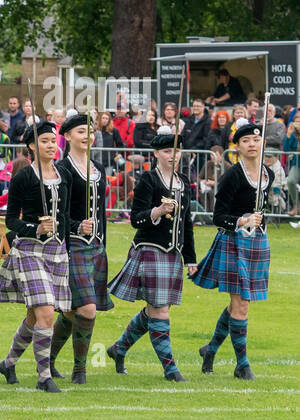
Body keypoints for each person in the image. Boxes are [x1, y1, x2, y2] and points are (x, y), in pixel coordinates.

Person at [106, 126, 198, 381]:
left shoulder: (184, 183)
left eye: (177, 150)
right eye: (168, 151)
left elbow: (187, 223)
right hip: (150, 250)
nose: (173, 155)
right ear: (157, 153)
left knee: (156, 309)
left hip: (173, 253)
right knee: (160, 310)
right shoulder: (148, 179)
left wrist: (190, 258)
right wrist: (157, 211)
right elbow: (136, 219)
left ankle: (119, 348)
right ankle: (171, 369)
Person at [0, 119, 72, 393]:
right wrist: (35, 227)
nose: (51, 145)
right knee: (47, 312)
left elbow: (66, 216)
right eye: (44, 141)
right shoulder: (23, 177)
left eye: (53, 140)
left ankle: (9, 362)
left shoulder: (64, 176)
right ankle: (44, 377)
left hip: (56, 252)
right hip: (30, 250)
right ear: (32, 146)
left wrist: (72, 233)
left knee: (36, 317)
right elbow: (11, 220)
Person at [191, 120, 271, 380]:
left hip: (257, 243)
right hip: (233, 242)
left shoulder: (266, 175)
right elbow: (218, 216)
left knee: (238, 304)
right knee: (242, 305)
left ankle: (210, 349)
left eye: (256, 140)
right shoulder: (232, 175)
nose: (252, 144)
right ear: (237, 146)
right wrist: (243, 220)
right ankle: (242, 364)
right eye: (246, 141)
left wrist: (258, 221)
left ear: (262, 143)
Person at [47, 111, 112, 385]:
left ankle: (47, 361)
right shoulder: (63, 169)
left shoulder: (99, 168)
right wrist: (75, 227)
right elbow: (57, 213)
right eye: (82, 132)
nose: (88, 136)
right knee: (87, 309)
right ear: (68, 136)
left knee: (73, 312)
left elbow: (101, 213)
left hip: (95, 247)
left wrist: (102, 243)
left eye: (91, 132)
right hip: (71, 246)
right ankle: (79, 371)